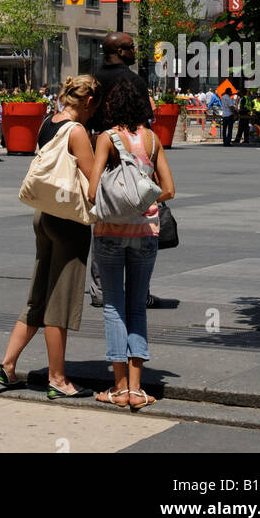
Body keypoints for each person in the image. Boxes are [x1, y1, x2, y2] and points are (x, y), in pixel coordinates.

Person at [0, 75, 100, 399]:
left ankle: (8, 365)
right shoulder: (77, 131)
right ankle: (57, 378)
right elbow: (92, 184)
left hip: (43, 214)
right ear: (89, 102)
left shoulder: (47, 122)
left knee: (38, 296)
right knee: (61, 301)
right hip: (69, 220)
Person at [88, 77, 175, 410]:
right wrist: (141, 199)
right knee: (137, 306)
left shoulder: (106, 139)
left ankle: (119, 387)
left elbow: (94, 188)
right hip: (146, 232)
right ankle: (138, 390)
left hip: (109, 232)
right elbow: (169, 188)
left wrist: (115, 198)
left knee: (113, 306)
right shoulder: (153, 140)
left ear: (112, 107)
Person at [90, 35, 156, 309]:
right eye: (131, 48)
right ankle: (139, 289)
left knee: (103, 212)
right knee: (137, 204)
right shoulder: (134, 81)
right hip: (130, 147)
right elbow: (144, 118)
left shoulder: (93, 78)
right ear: (119, 50)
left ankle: (100, 288)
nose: (134, 51)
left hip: (97, 146)